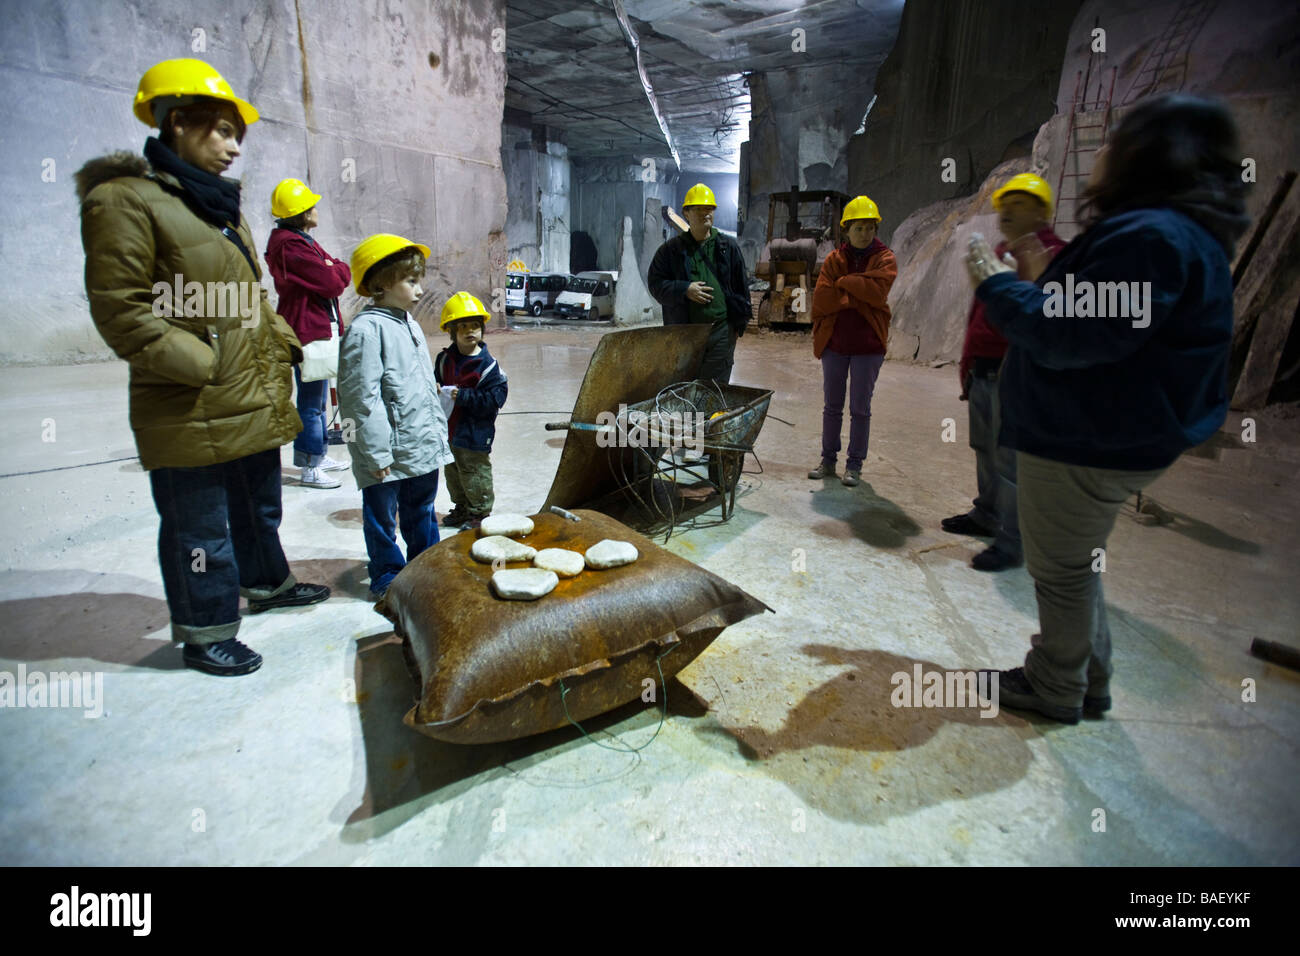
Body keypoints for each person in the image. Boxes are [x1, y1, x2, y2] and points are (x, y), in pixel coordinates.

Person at [966, 94, 1250, 723]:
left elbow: (1067, 333)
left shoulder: (1148, 236)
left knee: (1062, 567)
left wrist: (997, 284)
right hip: (1106, 433)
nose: (1101, 152)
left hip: (1086, 438)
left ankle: (1053, 684)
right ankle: (1088, 678)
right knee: (1078, 561)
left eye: (1118, 141)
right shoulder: (1172, 234)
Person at [76, 58, 330, 677]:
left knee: (258, 508)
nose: (233, 145)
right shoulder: (124, 202)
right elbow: (123, 310)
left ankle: (267, 584)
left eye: (236, 132)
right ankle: (205, 629)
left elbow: (250, 296)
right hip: (188, 400)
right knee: (200, 529)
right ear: (177, 123)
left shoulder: (221, 207)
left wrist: (280, 340)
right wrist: (200, 362)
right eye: (219, 129)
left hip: (249, 389)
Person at [942, 174, 1066, 569]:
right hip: (983, 371)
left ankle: (1012, 542)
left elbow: (1050, 324)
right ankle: (987, 513)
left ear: (1042, 212)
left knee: (1012, 461)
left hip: (1017, 376)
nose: (1007, 212)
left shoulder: (1058, 257)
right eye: (1004, 204)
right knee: (985, 449)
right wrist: (967, 366)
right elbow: (978, 317)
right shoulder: (996, 252)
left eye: (1019, 204)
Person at [337, 234, 454, 600]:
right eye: (411, 281)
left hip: (418, 444)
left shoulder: (409, 324)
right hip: (385, 452)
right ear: (382, 283)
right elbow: (359, 401)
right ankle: (387, 572)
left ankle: (425, 566)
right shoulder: (365, 331)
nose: (420, 290)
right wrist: (373, 454)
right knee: (382, 516)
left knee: (421, 509)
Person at [265, 178, 352, 489]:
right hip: (307, 329)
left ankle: (317, 452)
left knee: (315, 401)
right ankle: (310, 465)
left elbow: (339, 270)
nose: (317, 210)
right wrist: (332, 267)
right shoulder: (291, 246)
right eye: (311, 206)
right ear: (301, 213)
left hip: (316, 326)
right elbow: (332, 281)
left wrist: (332, 266)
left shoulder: (302, 240)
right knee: (311, 402)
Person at [807, 195, 897, 487]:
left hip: (868, 347)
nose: (865, 233)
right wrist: (857, 294)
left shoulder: (885, 259)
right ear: (846, 230)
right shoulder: (835, 260)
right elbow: (822, 300)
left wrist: (844, 284)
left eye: (870, 227)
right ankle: (828, 460)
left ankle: (854, 465)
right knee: (832, 406)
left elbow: (877, 294)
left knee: (860, 408)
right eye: (859, 228)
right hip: (836, 344)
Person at [647, 183, 753, 385]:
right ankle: (691, 418)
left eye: (709, 208)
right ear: (686, 213)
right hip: (684, 336)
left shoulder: (727, 247)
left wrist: (738, 326)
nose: (705, 213)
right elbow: (656, 284)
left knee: (715, 390)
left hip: (721, 332)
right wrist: (684, 289)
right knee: (685, 388)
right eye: (698, 209)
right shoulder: (671, 251)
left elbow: (742, 287)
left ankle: (713, 418)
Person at [434, 292, 508, 529]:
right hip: (450, 430)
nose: (469, 332)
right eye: (463, 326)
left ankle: (480, 514)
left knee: (475, 472)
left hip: (475, 432)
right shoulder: (444, 359)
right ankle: (462, 506)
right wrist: (434, 385)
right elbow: (436, 380)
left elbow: (495, 399)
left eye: (475, 326)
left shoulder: (488, 366)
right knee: (454, 471)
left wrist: (464, 396)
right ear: (452, 331)